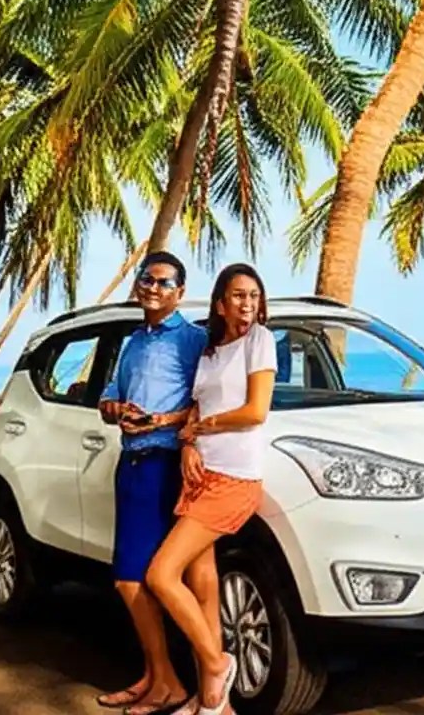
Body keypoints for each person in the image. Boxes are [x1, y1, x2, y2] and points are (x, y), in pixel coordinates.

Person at [145, 263, 277, 715]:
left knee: (161, 574)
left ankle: (218, 663)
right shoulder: (211, 351)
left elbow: (256, 411)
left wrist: (205, 426)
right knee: (203, 587)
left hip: (234, 478)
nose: (248, 304)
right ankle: (213, 704)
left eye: (254, 296)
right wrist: (187, 443)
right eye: (239, 296)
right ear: (220, 303)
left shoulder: (259, 341)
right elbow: (196, 407)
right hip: (201, 475)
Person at [96, 251, 208, 715]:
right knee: (132, 579)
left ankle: (170, 682)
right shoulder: (133, 342)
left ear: (179, 293)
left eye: (164, 283)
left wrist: (163, 419)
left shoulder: (194, 339)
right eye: (147, 279)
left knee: (137, 579)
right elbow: (107, 395)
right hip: (132, 463)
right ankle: (155, 677)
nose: (153, 288)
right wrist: (118, 410)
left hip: (166, 463)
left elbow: (208, 403)